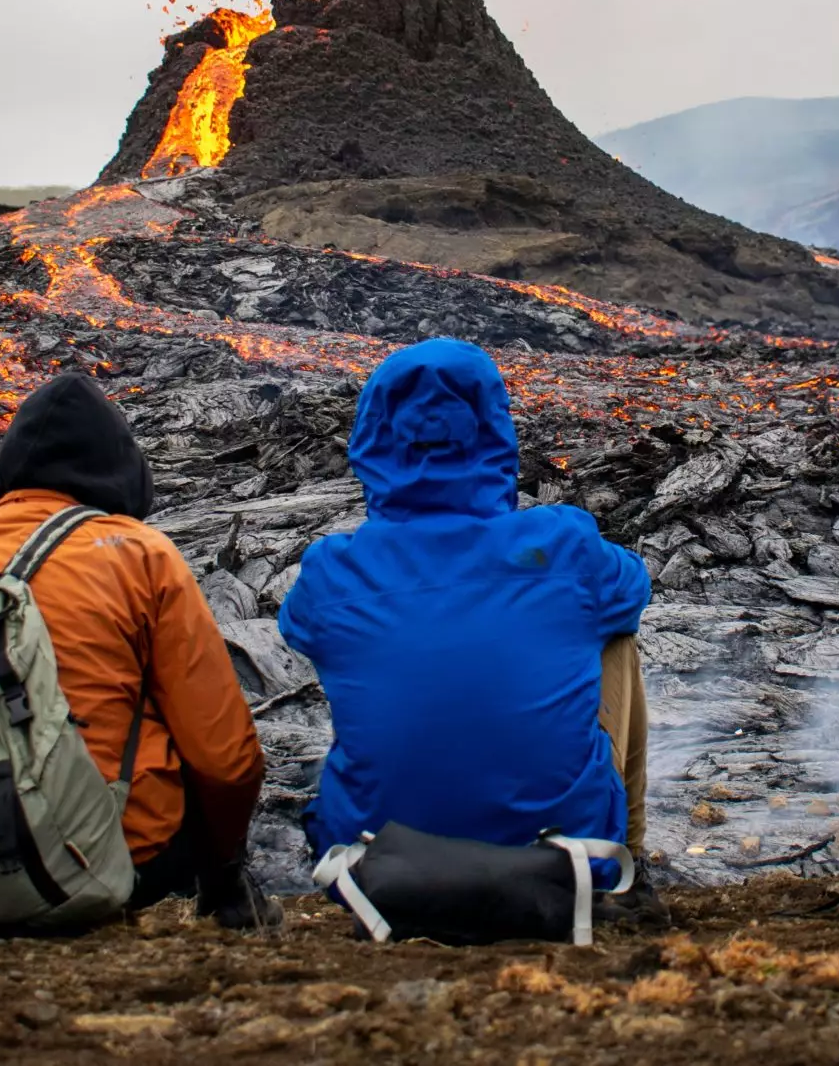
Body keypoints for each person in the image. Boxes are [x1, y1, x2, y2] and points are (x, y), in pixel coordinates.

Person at [0, 373, 278, 927]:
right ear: (123, 470)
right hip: (121, 859)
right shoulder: (139, 555)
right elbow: (225, 760)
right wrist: (225, 863)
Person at [279, 339, 666, 924]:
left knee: (366, 652)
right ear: (493, 432)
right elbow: (634, 587)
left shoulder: (334, 571)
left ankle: (405, 803)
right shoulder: (563, 544)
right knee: (614, 630)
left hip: (371, 867)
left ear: (373, 440)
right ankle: (628, 864)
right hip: (562, 862)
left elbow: (300, 629)